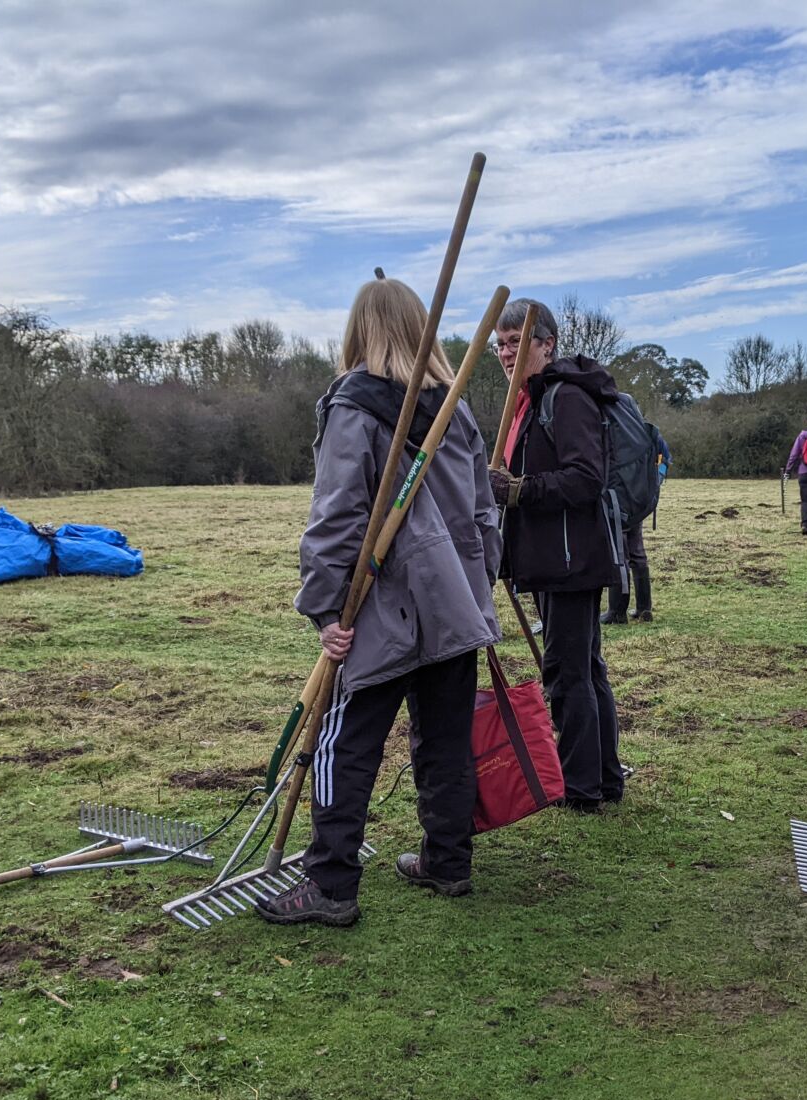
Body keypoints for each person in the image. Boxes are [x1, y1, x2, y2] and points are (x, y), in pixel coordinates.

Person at [256, 277, 502, 928]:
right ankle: (449, 861)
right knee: (444, 739)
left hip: (383, 606)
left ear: (360, 330)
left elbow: (336, 517)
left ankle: (331, 885)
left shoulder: (355, 405)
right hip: (452, 606)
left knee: (344, 742)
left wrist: (327, 611)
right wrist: (477, 592)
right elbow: (485, 519)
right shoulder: (455, 408)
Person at [487, 298, 625, 812]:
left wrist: (519, 490)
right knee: (585, 670)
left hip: (572, 560)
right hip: (554, 558)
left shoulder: (565, 397)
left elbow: (585, 478)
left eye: (516, 341)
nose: (505, 352)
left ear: (547, 344)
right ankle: (603, 781)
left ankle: (581, 790)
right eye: (500, 344)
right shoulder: (529, 399)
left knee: (568, 674)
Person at [602, 432, 669, 625]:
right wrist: (656, 481)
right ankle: (644, 607)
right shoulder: (646, 430)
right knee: (637, 552)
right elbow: (665, 456)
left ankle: (617, 611)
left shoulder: (613, 429)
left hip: (618, 499)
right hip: (640, 498)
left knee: (620, 554)